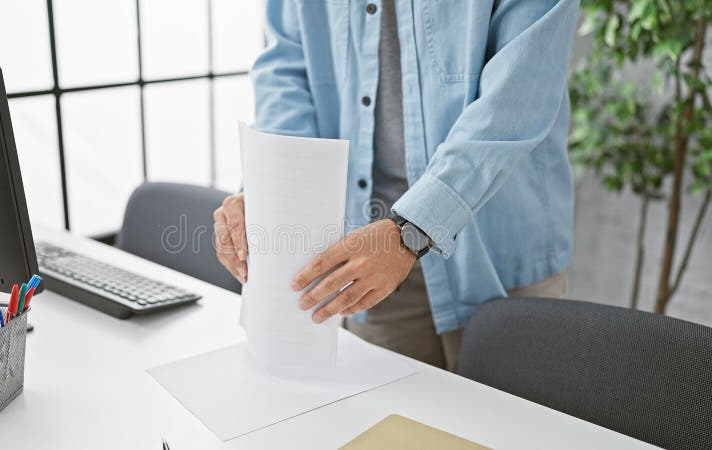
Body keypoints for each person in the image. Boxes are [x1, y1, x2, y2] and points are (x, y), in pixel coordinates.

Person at [214, 0, 579, 372]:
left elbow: (518, 97)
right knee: (383, 422)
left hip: (496, 252)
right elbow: (287, 69)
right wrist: (270, 190)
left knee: (512, 427)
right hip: (369, 254)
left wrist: (412, 230)